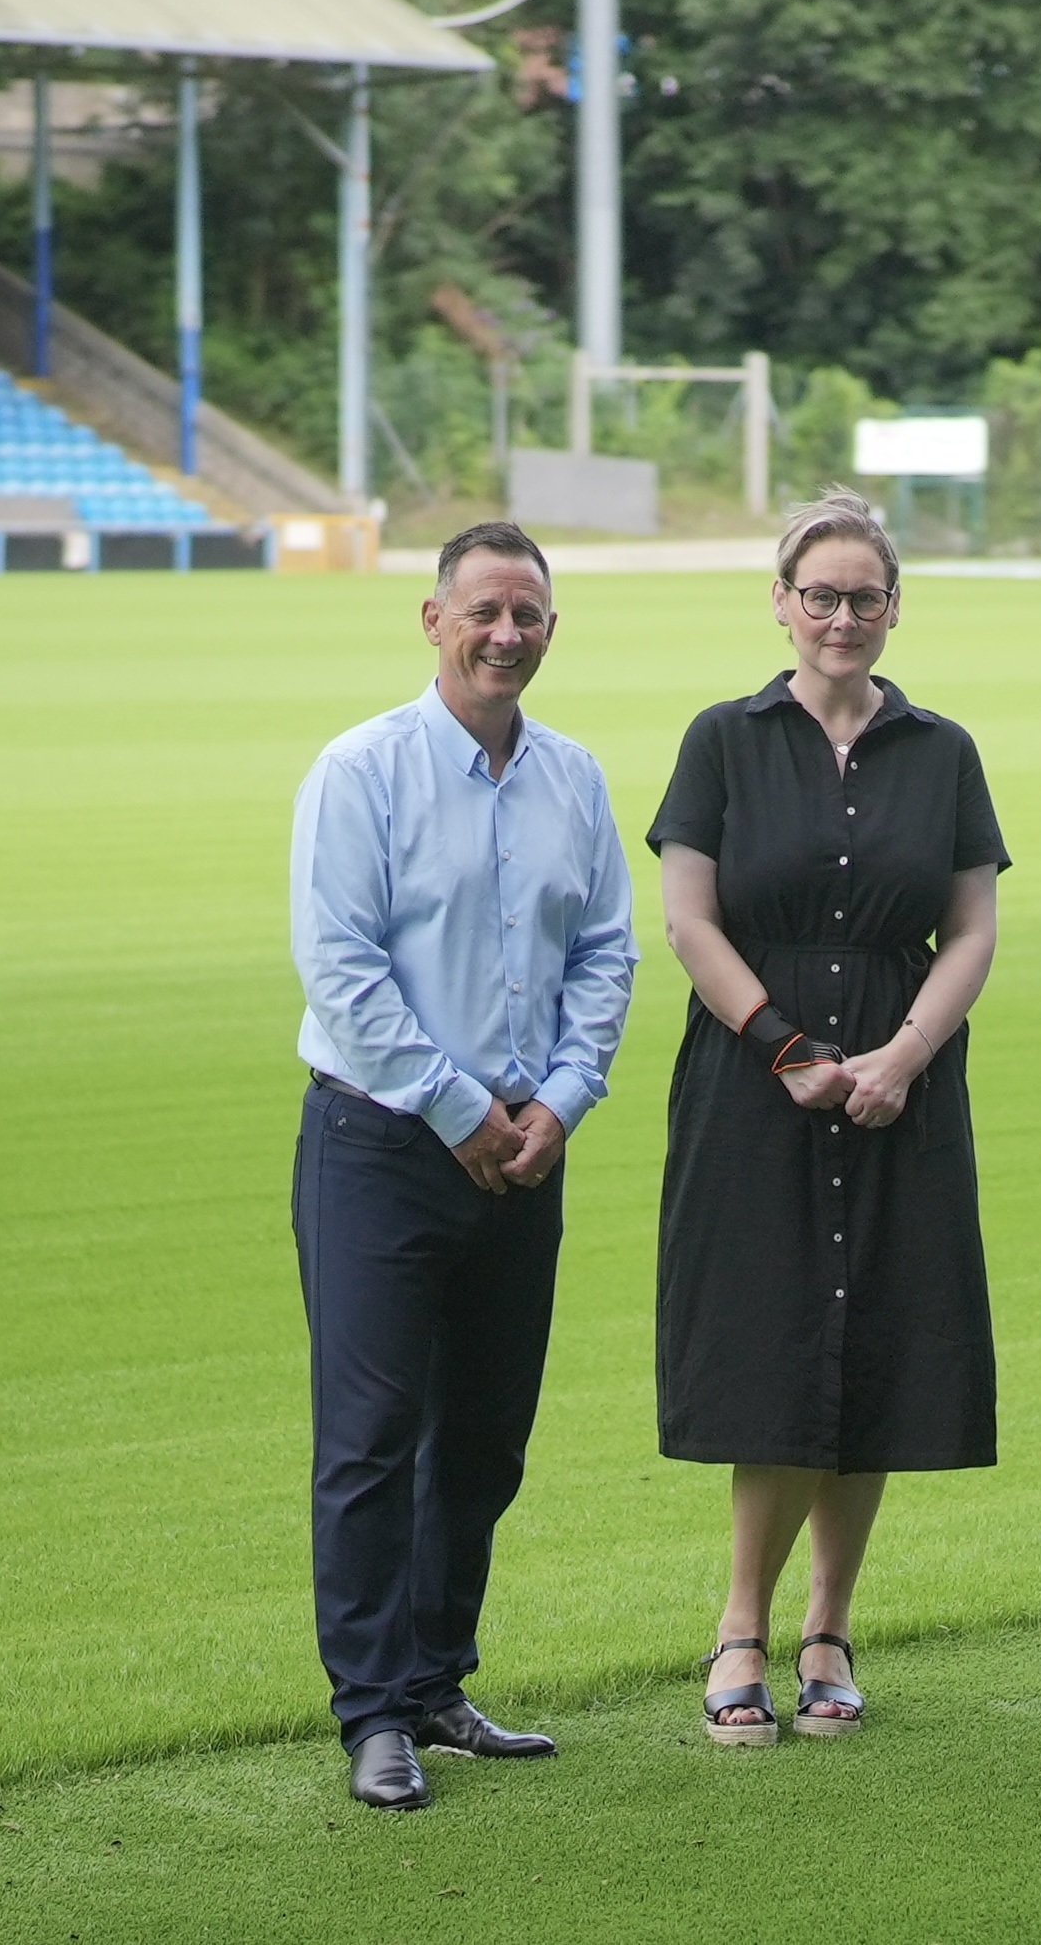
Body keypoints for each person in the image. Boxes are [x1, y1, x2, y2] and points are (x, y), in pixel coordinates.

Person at [287, 521, 638, 1811]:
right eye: (484, 610)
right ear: (433, 621)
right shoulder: (361, 769)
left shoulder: (575, 778)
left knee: (484, 1433)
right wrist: (461, 1113)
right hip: (381, 1143)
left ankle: (437, 1675)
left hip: (525, 1145)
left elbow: (605, 953)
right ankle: (372, 1708)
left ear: (552, 629)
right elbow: (343, 968)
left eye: (529, 614)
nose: (506, 634)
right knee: (372, 1437)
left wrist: (559, 1100)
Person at [647, 490, 1007, 1745]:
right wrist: (788, 1047)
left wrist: (903, 1055)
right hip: (756, 1084)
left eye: (865, 597)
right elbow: (691, 918)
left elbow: (969, 929)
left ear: (894, 607)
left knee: (878, 1351)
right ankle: (741, 1624)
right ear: (782, 602)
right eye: (821, 594)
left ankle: (830, 1627)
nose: (842, 616)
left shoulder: (942, 750)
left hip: (903, 1087)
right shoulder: (722, 738)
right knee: (773, 1345)